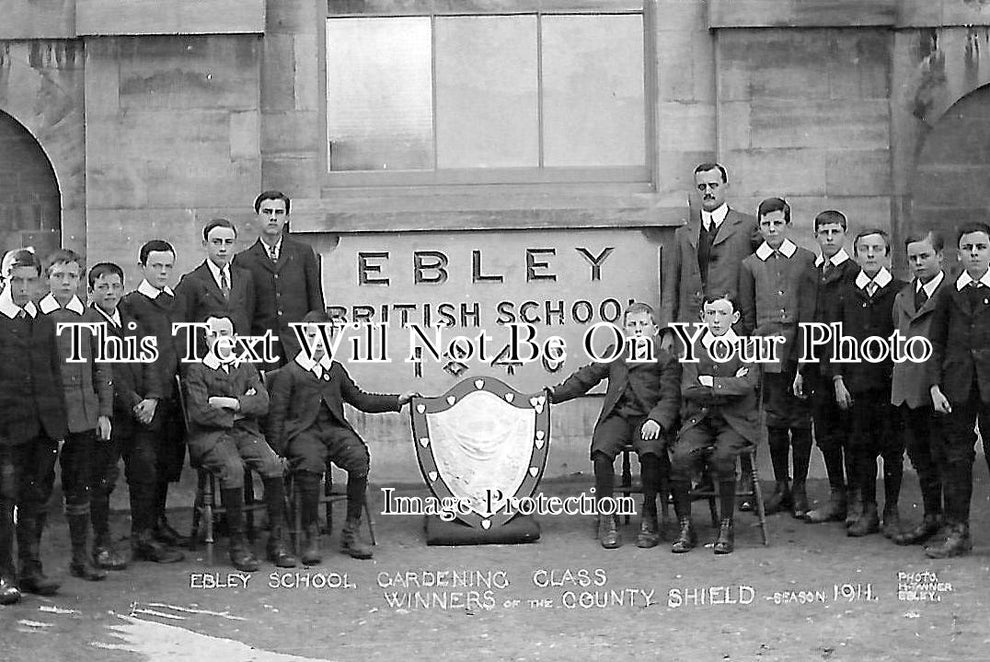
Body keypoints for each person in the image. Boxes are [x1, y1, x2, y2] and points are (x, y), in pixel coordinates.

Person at [266, 311, 417, 562]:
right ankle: (311, 534)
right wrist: (277, 452)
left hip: (333, 430)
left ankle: (350, 531)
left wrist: (396, 400)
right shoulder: (290, 373)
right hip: (303, 433)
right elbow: (276, 417)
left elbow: (360, 399)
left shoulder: (335, 370)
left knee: (358, 457)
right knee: (310, 464)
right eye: (312, 336)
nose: (318, 343)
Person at [548, 302, 681, 549]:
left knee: (651, 453)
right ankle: (606, 517)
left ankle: (649, 516)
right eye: (632, 325)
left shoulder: (665, 359)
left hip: (647, 418)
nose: (638, 330)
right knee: (602, 451)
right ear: (624, 330)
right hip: (618, 417)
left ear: (654, 329)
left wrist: (656, 419)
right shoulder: (616, 353)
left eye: (643, 325)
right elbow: (586, 377)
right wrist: (553, 394)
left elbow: (670, 397)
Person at [183, 315, 297, 571]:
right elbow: (200, 412)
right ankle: (238, 544)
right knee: (233, 468)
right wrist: (243, 407)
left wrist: (230, 403)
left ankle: (276, 542)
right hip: (211, 437)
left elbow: (264, 403)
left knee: (273, 464)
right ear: (206, 338)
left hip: (245, 433)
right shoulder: (197, 370)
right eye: (214, 334)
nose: (220, 339)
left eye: (225, 334)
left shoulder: (245, 366)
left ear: (234, 338)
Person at [739, 198, 817, 517]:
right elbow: (747, 313)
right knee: (775, 420)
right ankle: (781, 485)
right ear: (760, 226)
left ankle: (800, 487)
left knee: (801, 419)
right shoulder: (750, 265)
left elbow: (811, 309)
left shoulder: (806, 259)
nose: (772, 229)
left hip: (799, 349)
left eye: (778, 223)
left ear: (788, 224)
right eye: (766, 224)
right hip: (767, 352)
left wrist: (806, 352)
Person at [38, 249, 113, 582]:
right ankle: (31, 564)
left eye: (72, 276)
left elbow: (102, 369)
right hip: (48, 418)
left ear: (81, 280)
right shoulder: (39, 317)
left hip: (84, 415)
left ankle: (81, 558)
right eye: (58, 276)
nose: (65, 282)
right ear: (48, 279)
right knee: (38, 487)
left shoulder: (91, 318)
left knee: (80, 485)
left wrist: (104, 413)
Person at [826, 229, 906, 537]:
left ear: (887, 254)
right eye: (864, 249)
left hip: (890, 386)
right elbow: (833, 338)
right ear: (856, 254)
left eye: (877, 249)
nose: (870, 254)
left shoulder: (901, 291)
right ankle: (869, 509)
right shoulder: (845, 293)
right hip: (857, 385)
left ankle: (892, 510)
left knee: (893, 449)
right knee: (861, 449)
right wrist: (837, 379)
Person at [0, 249, 67, 603]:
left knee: (36, 500)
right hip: (7, 432)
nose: (24, 288)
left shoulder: (42, 320)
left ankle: (31, 570)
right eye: (17, 281)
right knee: (4, 501)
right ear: (4, 280)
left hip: (43, 429)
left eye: (30, 281)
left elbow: (54, 373)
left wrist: (58, 426)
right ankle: (4, 576)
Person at [669, 293, 760, 554]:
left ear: (735, 317)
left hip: (736, 422)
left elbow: (748, 384)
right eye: (711, 314)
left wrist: (709, 382)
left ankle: (726, 525)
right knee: (681, 456)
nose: (716, 320)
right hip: (702, 419)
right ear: (703, 316)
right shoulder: (693, 348)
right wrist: (728, 386)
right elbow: (688, 389)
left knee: (723, 458)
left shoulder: (747, 347)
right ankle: (686, 526)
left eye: (722, 314)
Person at [87, 262, 159, 569]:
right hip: (110, 416)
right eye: (103, 286)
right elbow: (108, 374)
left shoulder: (132, 324)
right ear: (90, 290)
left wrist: (152, 398)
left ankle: (143, 538)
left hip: (140, 416)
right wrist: (134, 402)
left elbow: (151, 362)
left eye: (116, 286)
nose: (110, 292)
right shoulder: (88, 325)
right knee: (103, 479)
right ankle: (101, 544)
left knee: (144, 472)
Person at [119, 240, 188, 556]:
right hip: (147, 400)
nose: (162, 272)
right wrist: (145, 397)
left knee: (166, 464)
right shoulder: (131, 304)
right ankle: (142, 534)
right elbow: (132, 356)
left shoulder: (176, 302)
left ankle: (159, 523)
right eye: (156, 266)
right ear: (142, 267)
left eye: (167, 266)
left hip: (174, 398)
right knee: (144, 466)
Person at [926, 221, 990, 558]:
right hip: (956, 388)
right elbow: (935, 343)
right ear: (959, 253)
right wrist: (935, 386)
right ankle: (957, 531)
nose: (974, 254)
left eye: (981, 247)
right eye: (968, 248)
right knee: (956, 459)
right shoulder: (949, 294)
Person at [795, 211, 859, 524]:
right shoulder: (811, 272)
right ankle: (837, 497)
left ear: (844, 233)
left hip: (845, 367)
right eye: (824, 232)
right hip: (815, 367)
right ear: (816, 236)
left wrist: (839, 375)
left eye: (835, 231)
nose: (830, 237)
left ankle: (857, 500)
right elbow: (806, 322)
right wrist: (800, 368)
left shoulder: (854, 272)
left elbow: (851, 327)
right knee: (825, 434)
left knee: (851, 433)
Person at [890, 232, 949, 546]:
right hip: (908, 390)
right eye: (913, 258)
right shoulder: (903, 296)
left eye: (924, 256)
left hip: (939, 390)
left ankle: (952, 522)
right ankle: (931, 516)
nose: (918, 263)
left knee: (944, 456)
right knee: (920, 456)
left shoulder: (950, 294)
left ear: (940, 256)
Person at [660, 162, 760, 330]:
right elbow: (670, 286)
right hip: (692, 329)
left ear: (725, 186)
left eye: (713, 186)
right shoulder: (683, 235)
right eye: (702, 187)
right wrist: (667, 330)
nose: (707, 192)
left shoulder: (747, 227)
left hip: (734, 326)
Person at [233, 191, 324, 368]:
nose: (273, 218)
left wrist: (318, 348)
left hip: (299, 349)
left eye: (279, 212)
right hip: (263, 352)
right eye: (267, 212)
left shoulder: (303, 254)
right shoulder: (243, 261)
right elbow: (243, 314)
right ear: (257, 216)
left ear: (287, 217)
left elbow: (316, 302)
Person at [176, 218, 256, 336]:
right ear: (205, 244)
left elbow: (249, 316)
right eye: (216, 242)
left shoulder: (245, 278)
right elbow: (182, 324)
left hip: (239, 346)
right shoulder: (191, 281)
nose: (223, 248)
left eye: (228, 242)